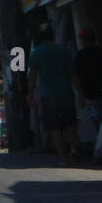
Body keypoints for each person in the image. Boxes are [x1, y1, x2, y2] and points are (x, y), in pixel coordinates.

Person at [29, 23, 76, 160]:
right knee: (70, 123)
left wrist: (30, 95)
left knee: (54, 126)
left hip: (48, 95)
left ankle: (62, 157)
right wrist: (81, 93)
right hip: (66, 92)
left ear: (41, 37)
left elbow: (32, 77)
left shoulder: (36, 53)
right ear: (53, 35)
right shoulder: (64, 51)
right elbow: (73, 74)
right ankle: (74, 150)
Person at [71, 29, 102, 161]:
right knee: (101, 122)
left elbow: (76, 76)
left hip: (91, 94)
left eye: (84, 39)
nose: (83, 41)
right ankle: (101, 150)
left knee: (94, 124)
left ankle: (99, 150)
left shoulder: (81, 55)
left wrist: (80, 93)